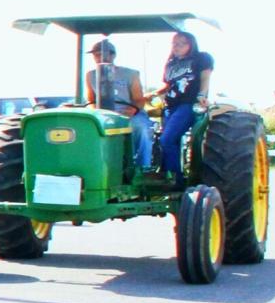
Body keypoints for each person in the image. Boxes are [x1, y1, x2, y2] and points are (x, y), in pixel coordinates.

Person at [156, 31, 213, 188]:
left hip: (188, 104)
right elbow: (168, 85)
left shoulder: (201, 58)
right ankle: (167, 174)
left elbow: (205, 78)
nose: (177, 46)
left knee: (167, 139)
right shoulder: (170, 63)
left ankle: (176, 180)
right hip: (170, 105)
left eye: (182, 43)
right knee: (166, 141)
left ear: (191, 44)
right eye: (175, 43)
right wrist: (151, 95)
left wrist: (202, 95)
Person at [85, 39, 152, 170]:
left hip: (128, 113)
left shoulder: (130, 74)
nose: (98, 58)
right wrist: (97, 114)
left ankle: (143, 167)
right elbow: (91, 101)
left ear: (112, 55)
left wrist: (131, 110)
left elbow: (139, 99)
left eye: (101, 54)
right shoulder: (90, 75)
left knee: (142, 129)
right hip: (103, 115)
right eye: (95, 55)